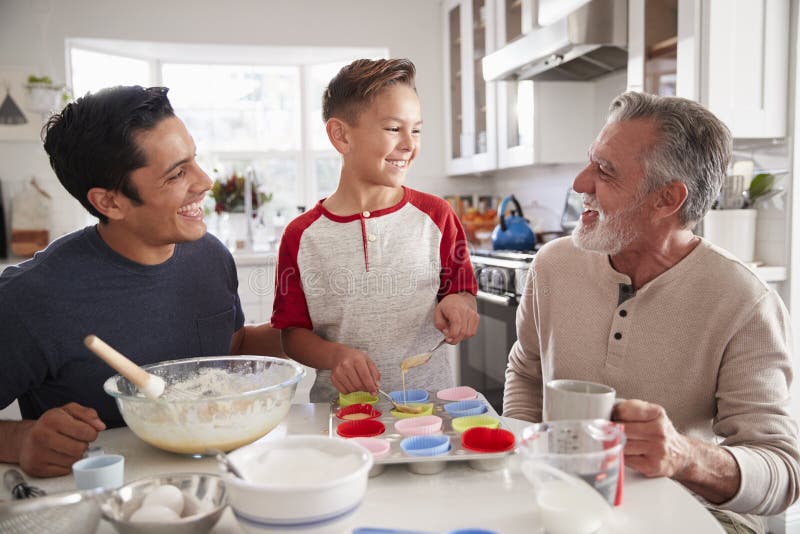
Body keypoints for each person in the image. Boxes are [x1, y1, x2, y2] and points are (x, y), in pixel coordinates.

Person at [503, 91, 799, 533]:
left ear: (666, 199)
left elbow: (782, 473)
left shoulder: (744, 301)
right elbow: (526, 373)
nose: (580, 183)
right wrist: (522, 468)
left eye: (605, 171)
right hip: (569, 500)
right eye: (591, 161)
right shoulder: (553, 265)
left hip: (698, 513)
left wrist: (685, 456)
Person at [0, 86, 283, 477]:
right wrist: (19, 441)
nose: (204, 182)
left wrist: (318, 331)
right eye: (177, 173)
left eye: (194, 160)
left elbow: (231, 347)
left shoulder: (210, 255)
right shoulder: (31, 298)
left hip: (219, 479)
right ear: (110, 202)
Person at [271, 58, 479, 401]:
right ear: (341, 135)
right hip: (342, 413)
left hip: (430, 409)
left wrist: (460, 305)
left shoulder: (437, 216)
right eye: (394, 129)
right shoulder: (302, 235)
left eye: (416, 130)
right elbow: (292, 335)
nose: (409, 144)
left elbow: (462, 291)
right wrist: (336, 356)